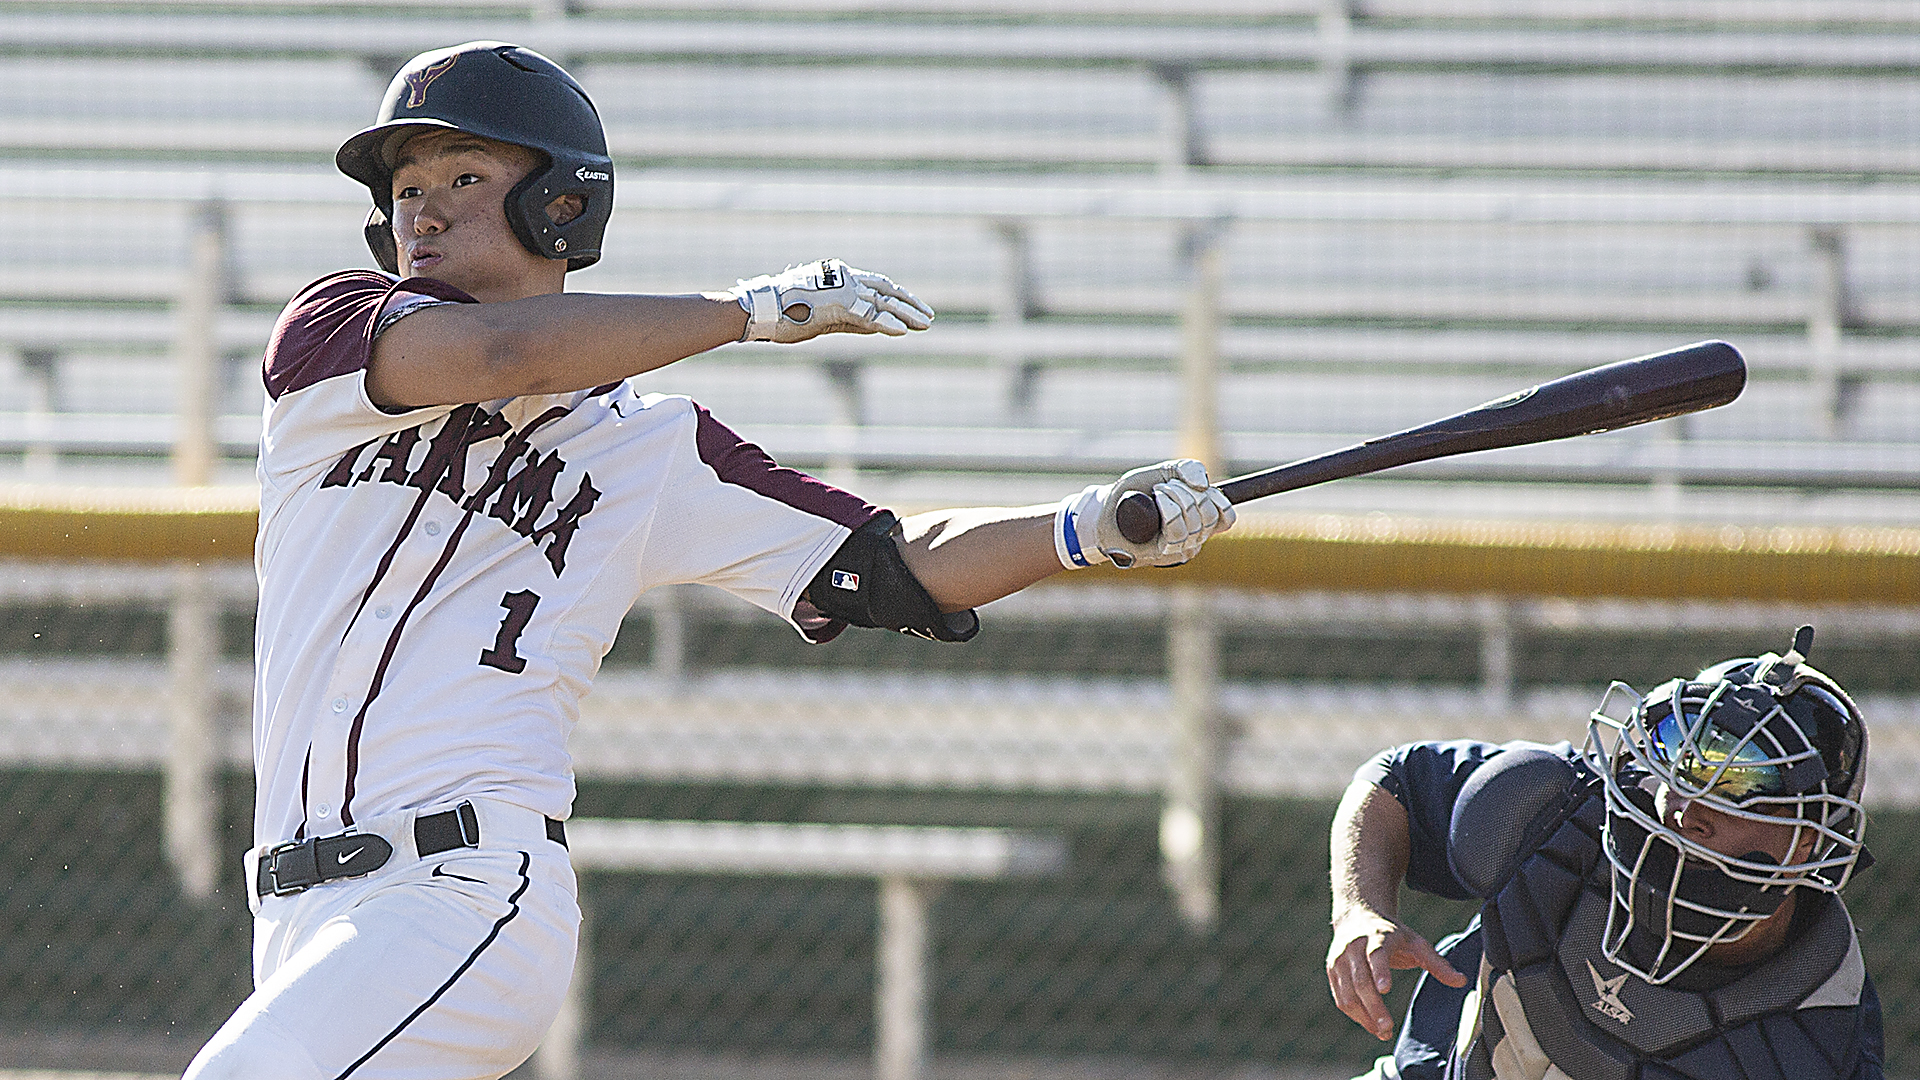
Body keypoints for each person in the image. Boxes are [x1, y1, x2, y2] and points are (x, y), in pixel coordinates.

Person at [183, 40, 1234, 1080]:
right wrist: (748, 314)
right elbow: (505, 356)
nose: (424, 208)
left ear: (561, 205)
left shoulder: (653, 449)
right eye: (406, 184)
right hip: (297, 914)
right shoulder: (334, 334)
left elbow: (896, 565)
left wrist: (1085, 527)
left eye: (466, 175)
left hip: (462, 891)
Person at [1325, 626, 1884, 1080]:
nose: (1684, 807)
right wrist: (1360, 909)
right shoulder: (1565, 807)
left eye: (1737, 783)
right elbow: (1394, 782)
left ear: (1806, 839)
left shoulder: (1823, 1017)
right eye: (1679, 755)